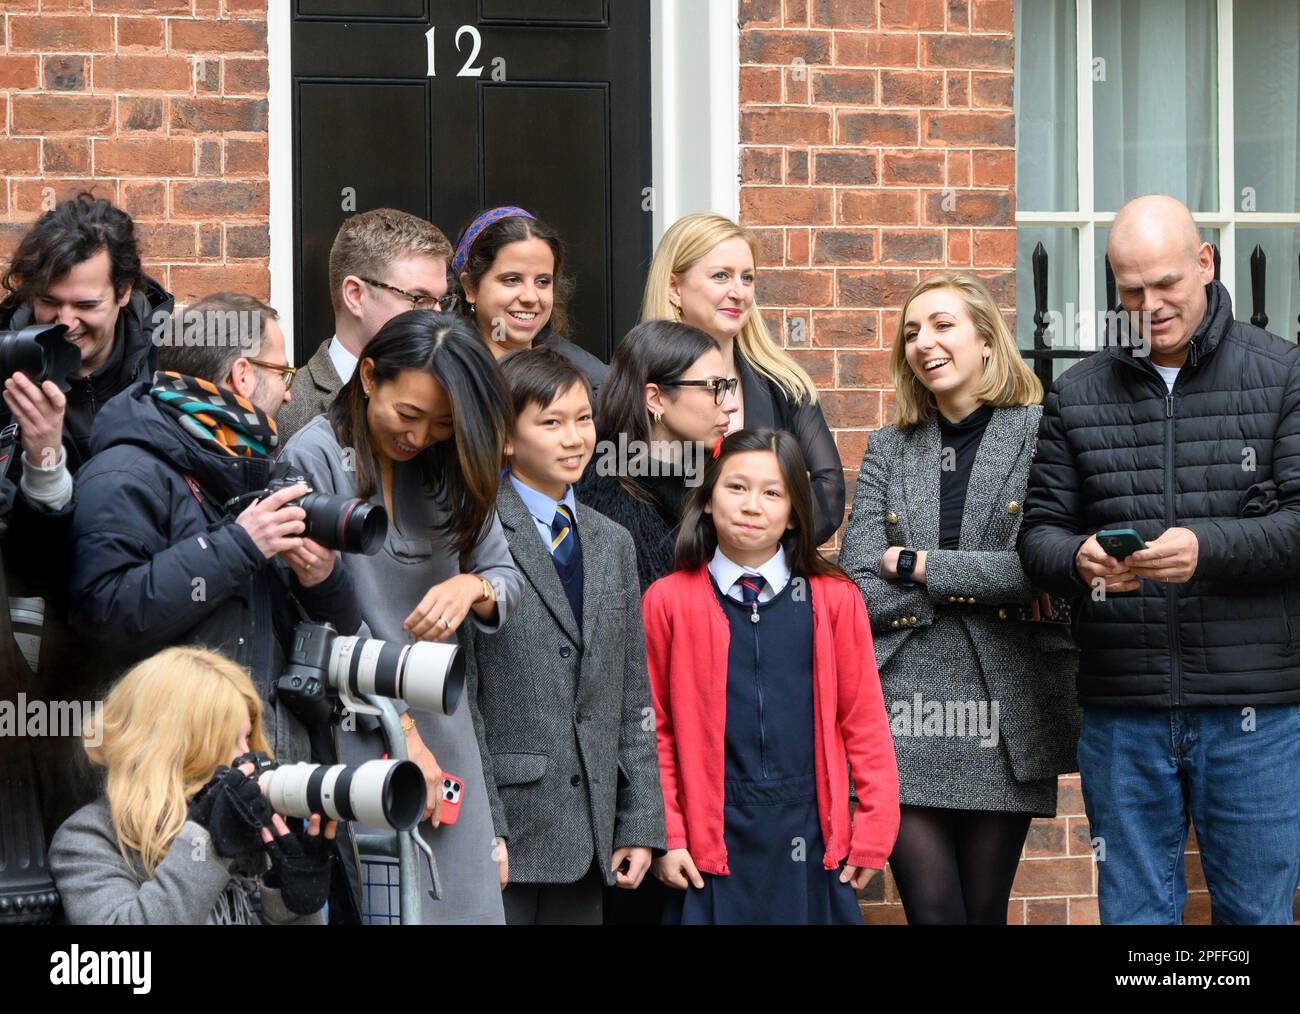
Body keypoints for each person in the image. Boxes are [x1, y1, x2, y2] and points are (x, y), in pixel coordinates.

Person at [1018, 194, 1300, 925]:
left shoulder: (1281, 374)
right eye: (1131, 290)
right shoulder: (1078, 393)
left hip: (1256, 710)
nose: (1152, 306)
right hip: (1123, 709)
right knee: (1136, 919)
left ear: (1204, 263)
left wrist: (1208, 548)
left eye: (1167, 284)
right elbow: (1038, 536)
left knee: (1255, 917)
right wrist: (1078, 557)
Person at [838, 273, 1080, 925]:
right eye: (912, 332)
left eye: (942, 325)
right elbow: (856, 586)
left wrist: (917, 567)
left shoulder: (1039, 433)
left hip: (1006, 705)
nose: (923, 342)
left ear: (987, 343)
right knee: (934, 912)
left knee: (981, 912)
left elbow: (1039, 571)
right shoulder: (891, 446)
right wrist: (973, 589)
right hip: (903, 711)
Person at [278, 310, 523, 925]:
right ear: (367, 377)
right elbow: (319, 608)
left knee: (463, 906)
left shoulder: (452, 462)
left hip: (444, 724)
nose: (419, 437)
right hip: (353, 728)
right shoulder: (314, 457)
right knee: (389, 902)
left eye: (441, 424)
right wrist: (405, 736)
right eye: (408, 415)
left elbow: (508, 581)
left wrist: (470, 586)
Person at [69, 291, 362, 768]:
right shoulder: (122, 473)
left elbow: (344, 631)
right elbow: (105, 619)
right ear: (242, 375)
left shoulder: (265, 472)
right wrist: (240, 545)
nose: (290, 393)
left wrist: (323, 578)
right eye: (282, 373)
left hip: (274, 771)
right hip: (168, 775)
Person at [644, 428, 899, 924]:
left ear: (792, 514)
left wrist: (874, 828)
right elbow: (655, 731)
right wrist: (668, 835)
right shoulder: (668, 601)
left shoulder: (833, 600)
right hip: (708, 840)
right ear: (708, 500)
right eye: (736, 487)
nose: (751, 505)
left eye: (772, 493)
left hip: (811, 828)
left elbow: (864, 720)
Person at [463, 346, 665, 924]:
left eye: (582, 418)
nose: (574, 437)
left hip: (590, 832)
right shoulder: (474, 531)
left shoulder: (611, 541)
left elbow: (632, 694)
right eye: (550, 422)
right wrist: (486, 825)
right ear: (504, 436)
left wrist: (640, 821)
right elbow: (464, 697)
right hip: (508, 829)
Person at [50, 646, 333, 925]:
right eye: (227, 743)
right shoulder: (88, 838)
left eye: (246, 738)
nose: (246, 755)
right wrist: (206, 838)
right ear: (179, 751)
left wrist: (291, 907)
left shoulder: (245, 824)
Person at [642, 212, 844, 544]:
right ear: (675, 289)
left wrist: (759, 552)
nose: (739, 293)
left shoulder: (786, 384)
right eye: (721, 276)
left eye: (747, 278)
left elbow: (829, 491)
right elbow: (631, 485)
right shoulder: (641, 384)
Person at [0, 192, 174, 467]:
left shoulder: (171, 369)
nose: (65, 322)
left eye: (86, 305)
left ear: (124, 291)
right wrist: (42, 467)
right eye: (49, 301)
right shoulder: (6, 373)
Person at [576, 320, 739, 591]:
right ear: (655, 398)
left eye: (727, 386)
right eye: (713, 387)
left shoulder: (724, 483)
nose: (731, 404)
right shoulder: (603, 503)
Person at [276, 208, 455, 442]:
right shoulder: (287, 411)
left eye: (442, 301)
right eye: (419, 299)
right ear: (355, 295)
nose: (437, 314)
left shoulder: (450, 401)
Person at [452, 206, 608, 394]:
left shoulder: (591, 382)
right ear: (470, 286)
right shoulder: (442, 374)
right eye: (512, 280)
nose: (530, 297)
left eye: (543, 282)